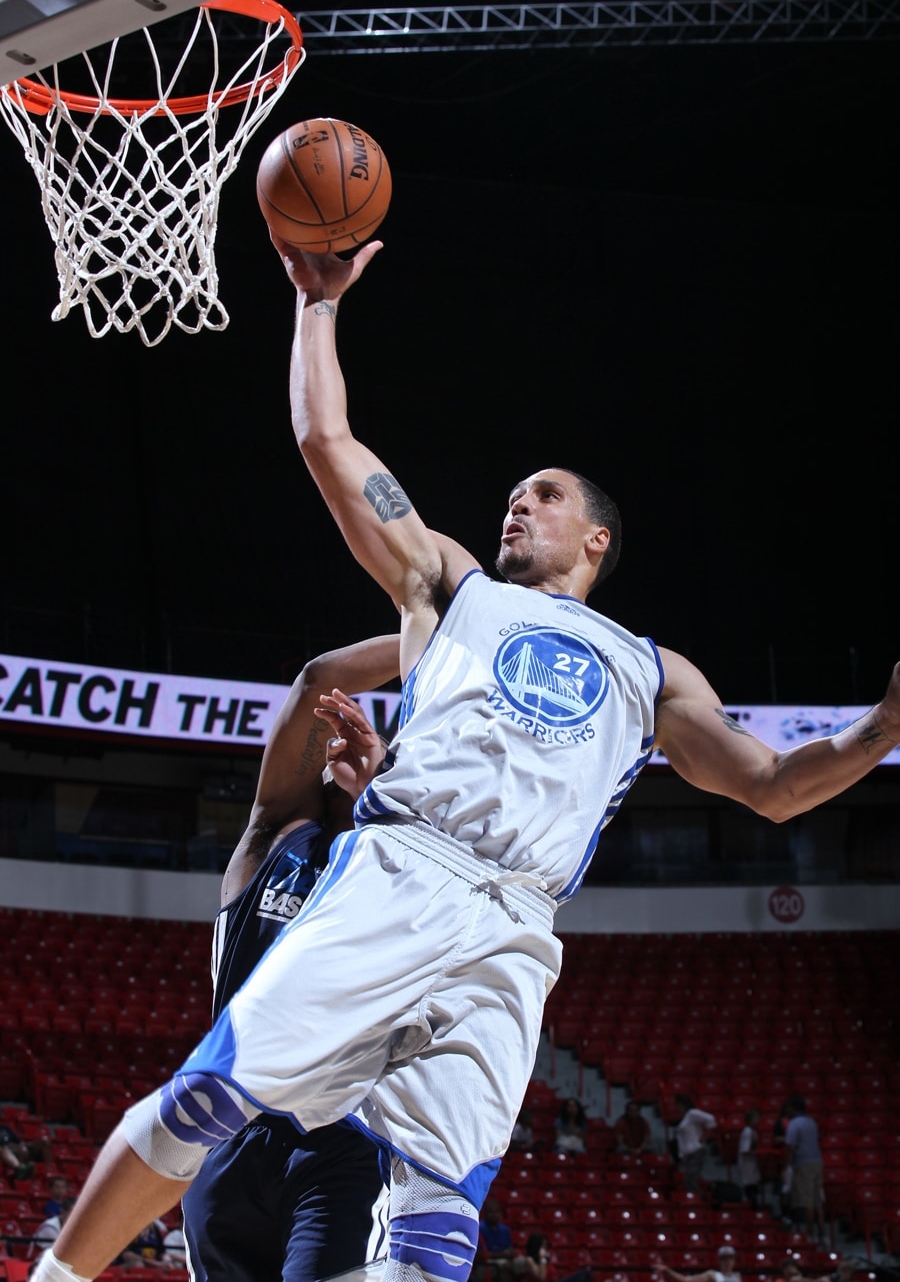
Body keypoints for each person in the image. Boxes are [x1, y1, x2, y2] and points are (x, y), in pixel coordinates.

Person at [33, 241, 900, 1282]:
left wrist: (884, 727)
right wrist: (316, 305)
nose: (516, 505)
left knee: (437, 1219)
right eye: (513, 495)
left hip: (518, 928)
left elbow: (774, 788)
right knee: (213, 1096)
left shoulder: (653, 671)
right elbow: (326, 439)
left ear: (596, 539)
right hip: (409, 868)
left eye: (543, 495)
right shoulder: (452, 590)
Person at [180, 635, 400, 1282]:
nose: (346, 750)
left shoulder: (404, 871)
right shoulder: (271, 842)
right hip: (229, 1130)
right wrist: (442, 636)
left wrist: (382, 792)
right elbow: (314, 681)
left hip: (341, 1140)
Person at [782, 1095, 825, 1241]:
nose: (786, 1111)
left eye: (788, 1108)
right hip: (817, 1162)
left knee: (807, 1201)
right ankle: (821, 1231)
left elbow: (790, 1148)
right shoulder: (811, 1121)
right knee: (817, 1199)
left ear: (793, 1108)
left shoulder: (794, 1124)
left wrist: (786, 1167)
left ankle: (810, 1234)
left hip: (804, 1164)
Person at [671, 1095, 717, 1191]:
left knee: (691, 1181)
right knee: (688, 1180)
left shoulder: (692, 1113)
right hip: (687, 1154)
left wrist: (704, 1137)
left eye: (677, 1105)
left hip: (695, 1151)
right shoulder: (686, 1117)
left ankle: (698, 1198)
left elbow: (710, 1118)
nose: (676, 1108)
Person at [660, 1243, 741, 1282]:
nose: (727, 1262)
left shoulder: (737, 1276)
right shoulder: (712, 1275)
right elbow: (686, 1280)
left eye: (730, 1258)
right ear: (719, 1261)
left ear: (734, 1261)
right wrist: (668, 1270)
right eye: (724, 1259)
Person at [737, 1108, 761, 1207]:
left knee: (753, 1184)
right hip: (747, 1163)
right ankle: (751, 1205)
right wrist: (757, 1152)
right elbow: (745, 1150)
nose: (758, 1120)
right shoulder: (748, 1132)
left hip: (751, 1162)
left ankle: (753, 1204)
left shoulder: (752, 1131)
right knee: (750, 1185)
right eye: (756, 1118)